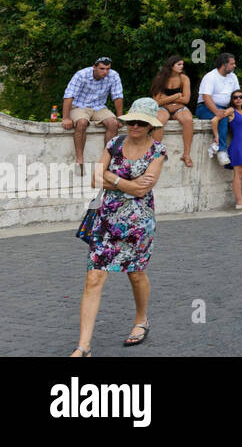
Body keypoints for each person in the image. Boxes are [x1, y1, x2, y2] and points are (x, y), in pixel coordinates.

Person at [71, 98, 167, 356]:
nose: (134, 126)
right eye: (131, 121)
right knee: (94, 276)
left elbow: (144, 188)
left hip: (138, 223)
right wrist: (126, 183)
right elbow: (95, 177)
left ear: (149, 126)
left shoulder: (158, 150)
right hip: (106, 218)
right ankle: (84, 347)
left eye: (141, 122)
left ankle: (141, 320)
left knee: (135, 273)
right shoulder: (114, 144)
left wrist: (111, 178)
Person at [62, 57, 124, 165]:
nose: (105, 72)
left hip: (99, 107)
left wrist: (120, 117)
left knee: (113, 123)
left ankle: (107, 158)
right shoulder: (81, 75)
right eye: (102, 68)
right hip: (79, 106)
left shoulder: (113, 75)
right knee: (82, 122)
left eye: (108, 69)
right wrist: (66, 117)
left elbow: (117, 97)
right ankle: (79, 159)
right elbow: (69, 96)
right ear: (94, 67)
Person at [150, 55, 194, 167]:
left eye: (182, 64)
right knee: (159, 120)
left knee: (188, 120)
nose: (181, 66)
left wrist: (165, 98)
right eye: (179, 64)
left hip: (178, 109)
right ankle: (157, 152)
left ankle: (187, 154)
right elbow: (156, 101)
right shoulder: (161, 78)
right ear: (171, 65)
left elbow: (186, 99)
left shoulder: (184, 78)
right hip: (163, 108)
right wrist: (175, 96)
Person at [198, 52, 239, 167]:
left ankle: (239, 150)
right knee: (223, 119)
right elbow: (206, 97)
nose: (234, 66)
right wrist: (216, 111)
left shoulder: (233, 76)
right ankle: (221, 151)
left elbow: (237, 94)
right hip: (205, 107)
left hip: (225, 108)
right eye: (232, 64)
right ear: (224, 64)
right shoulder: (211, 76)